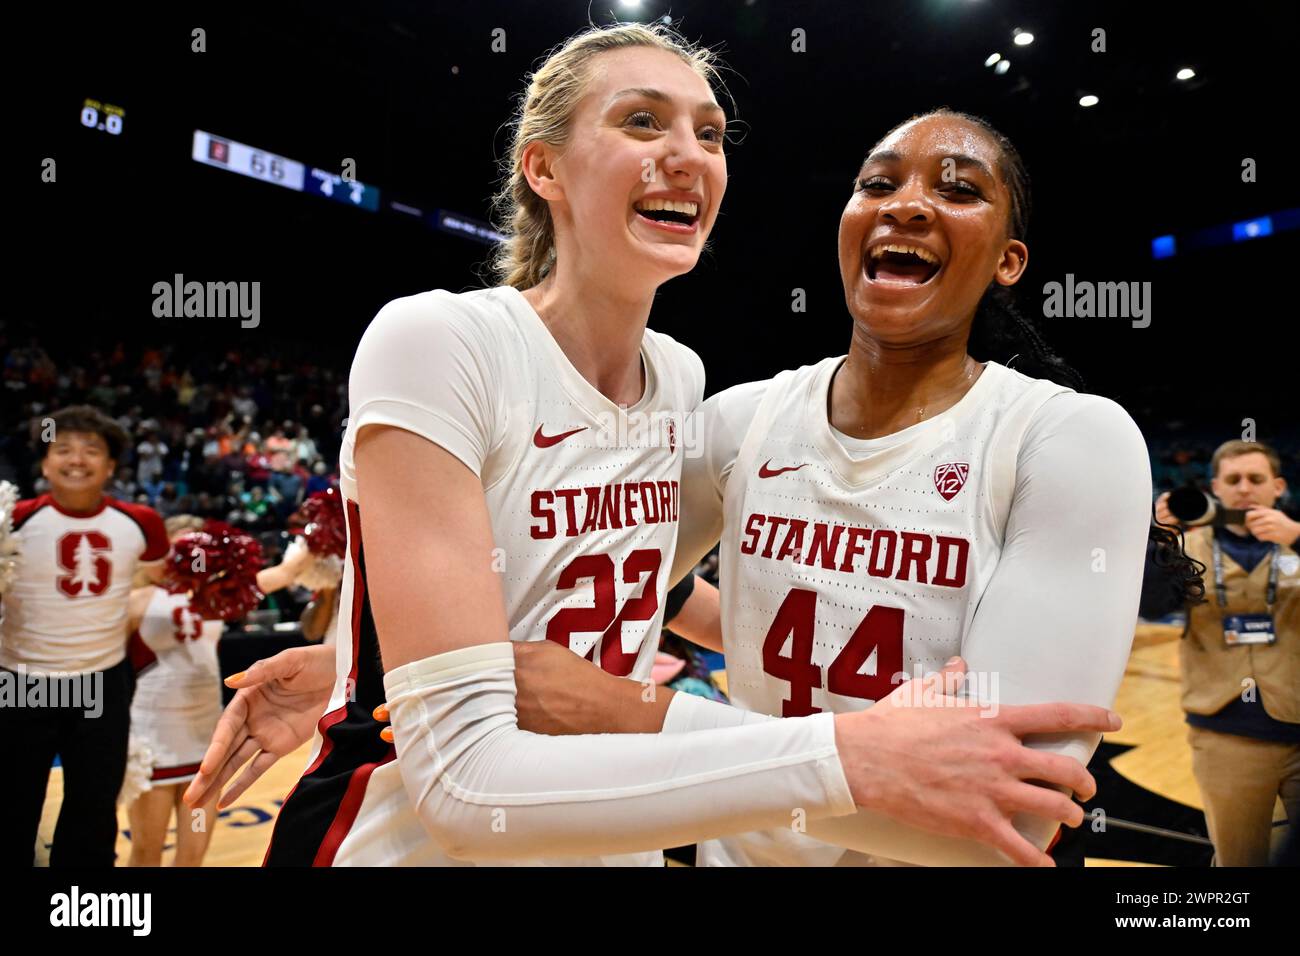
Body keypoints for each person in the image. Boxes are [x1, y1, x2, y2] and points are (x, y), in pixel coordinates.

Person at [187, 23, 1119, 868]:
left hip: (613, 840)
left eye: (710, 135)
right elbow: (473, 766)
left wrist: (407, 667)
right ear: (544, 169)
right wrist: (377, 668)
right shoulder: (448, 341)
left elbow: (617, 586)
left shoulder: (680, 382)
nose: (688, 155)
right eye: (642, 122)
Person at [506, 108, 1171, 866]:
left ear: (1008, 261)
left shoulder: (1066, 439)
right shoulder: (739, 421)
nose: (907, 204)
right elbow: (595, 579)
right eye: (877, 184)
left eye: (959, 193)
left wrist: (633, 718)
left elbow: (999, 826)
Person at [0, 405, 170, 866]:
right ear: (44, 464)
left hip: (101, 681)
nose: (77, 459)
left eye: (91, 450)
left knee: (93, 814)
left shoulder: (143, 523)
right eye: (63, 449)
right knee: (12, 809)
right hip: (22, 681)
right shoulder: (13, 521)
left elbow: (153, 583)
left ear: (111, 466)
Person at [124, 515, 311, 866]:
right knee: (147, 851)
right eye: (182, 546)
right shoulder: (139, 598)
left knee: (193, 854)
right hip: (154, 741)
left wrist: (320, 529)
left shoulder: (222, 594)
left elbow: (285, 574)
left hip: (206, 744)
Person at [1155, 440, 1300, 865]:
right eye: (1233, 480)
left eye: (1255, 479)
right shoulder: (1189, 546)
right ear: (1215, 487)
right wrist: (1161, 537)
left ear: (1278, 486)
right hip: (1225, 735)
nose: (1244, 489)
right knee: (1239, 861)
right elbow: (1149, 603)